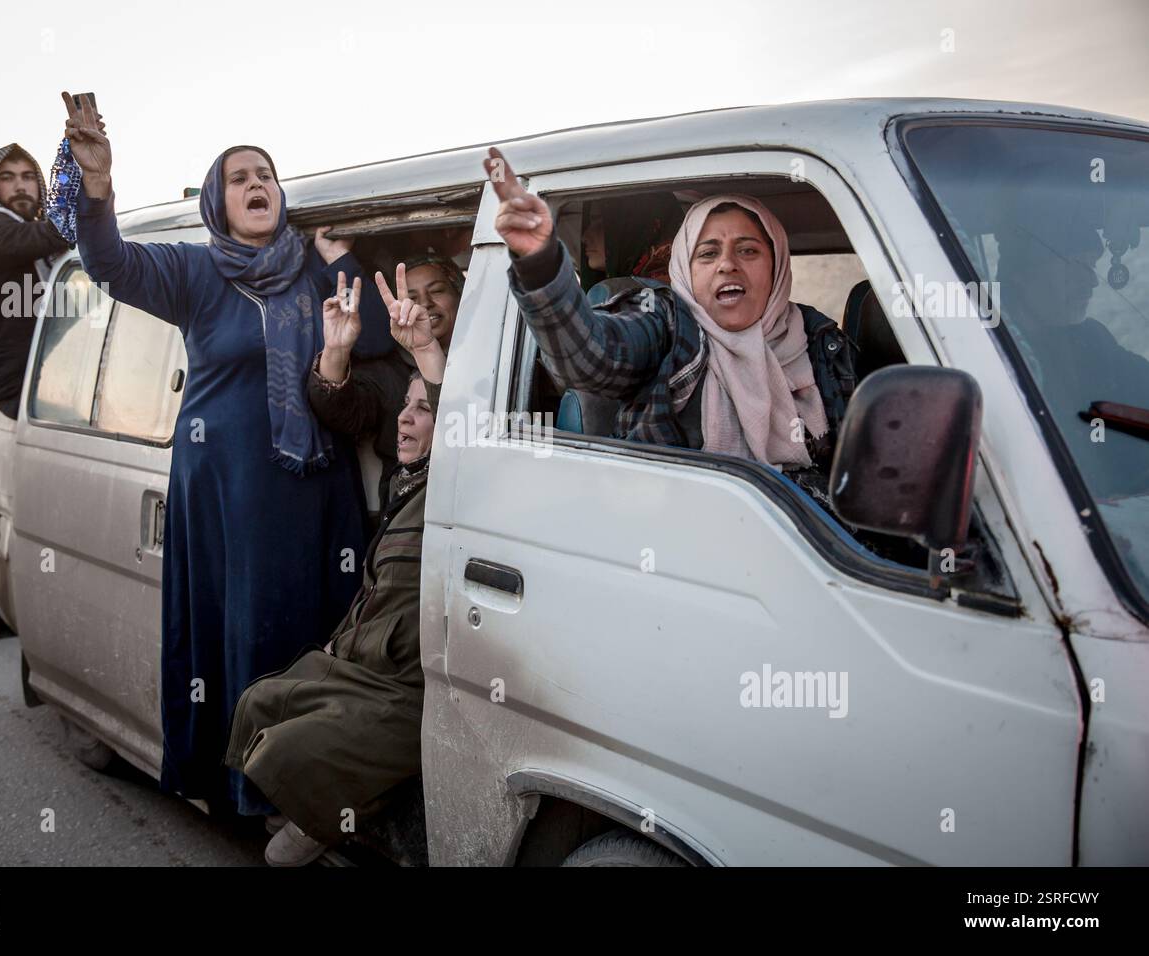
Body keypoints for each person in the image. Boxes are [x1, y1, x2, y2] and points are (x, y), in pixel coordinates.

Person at [62, 93, 393, 816]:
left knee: (313, 631)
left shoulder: (312, 271)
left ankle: (311, 781)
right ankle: (245, 787)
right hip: (227, 488)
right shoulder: (194, 271)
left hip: (313, 486)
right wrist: (96, 184)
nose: (257, 185)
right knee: (239, 626)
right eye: (240, 176)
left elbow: (373, 345)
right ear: (218, 199)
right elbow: (109, 263)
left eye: (267, 174)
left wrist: (348, 261)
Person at [225, 269, 445, 866]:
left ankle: (324, 821)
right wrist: (339, 350)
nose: (403, 418)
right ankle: (314, 811)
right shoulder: (408, 482)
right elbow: (336, 402)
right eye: (405, 405)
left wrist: (425, 350)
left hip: (400, 685)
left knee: (287, 754)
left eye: (421, 410)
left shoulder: (460, 476)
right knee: (256, 706)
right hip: (360, 662)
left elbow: (464, 424)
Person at [485, 147, 856, 481]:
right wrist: (542, 264)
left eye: (748, 251)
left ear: (777, 267)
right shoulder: (668, 325)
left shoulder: (822, 341)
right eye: (708, 254)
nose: (727, 265)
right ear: (685, 271)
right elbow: (589, 356)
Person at [309, 253, 462, 510]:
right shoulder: (388, 371)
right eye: (411, 298)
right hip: (406, 514)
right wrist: (336, 349)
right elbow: (337, 410)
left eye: (437, 291)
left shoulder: (498, 358)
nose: (424, 303)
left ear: (460, 296)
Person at [0, 143, 72, 419]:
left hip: (45, 380)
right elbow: (57, 234)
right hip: (20, 391)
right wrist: (85, 173)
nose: (20, 186)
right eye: (8, 177)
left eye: (28, 177)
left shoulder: (21, 230)